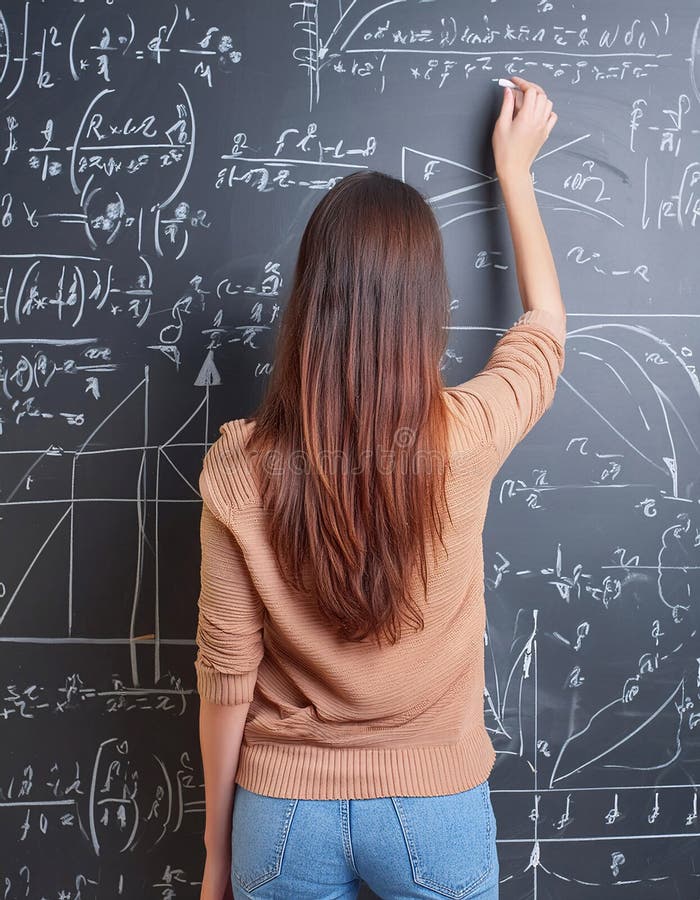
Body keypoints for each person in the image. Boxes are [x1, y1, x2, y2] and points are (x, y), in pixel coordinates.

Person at [197, 76, 565, 900]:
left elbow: (226, 677)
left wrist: (218, 854)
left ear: (309, 303)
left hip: (281, 816)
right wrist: (515, 172)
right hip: (437, 807)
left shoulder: (240, 467)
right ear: (427, 306)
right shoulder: (467, 434)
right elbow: (544, 333)